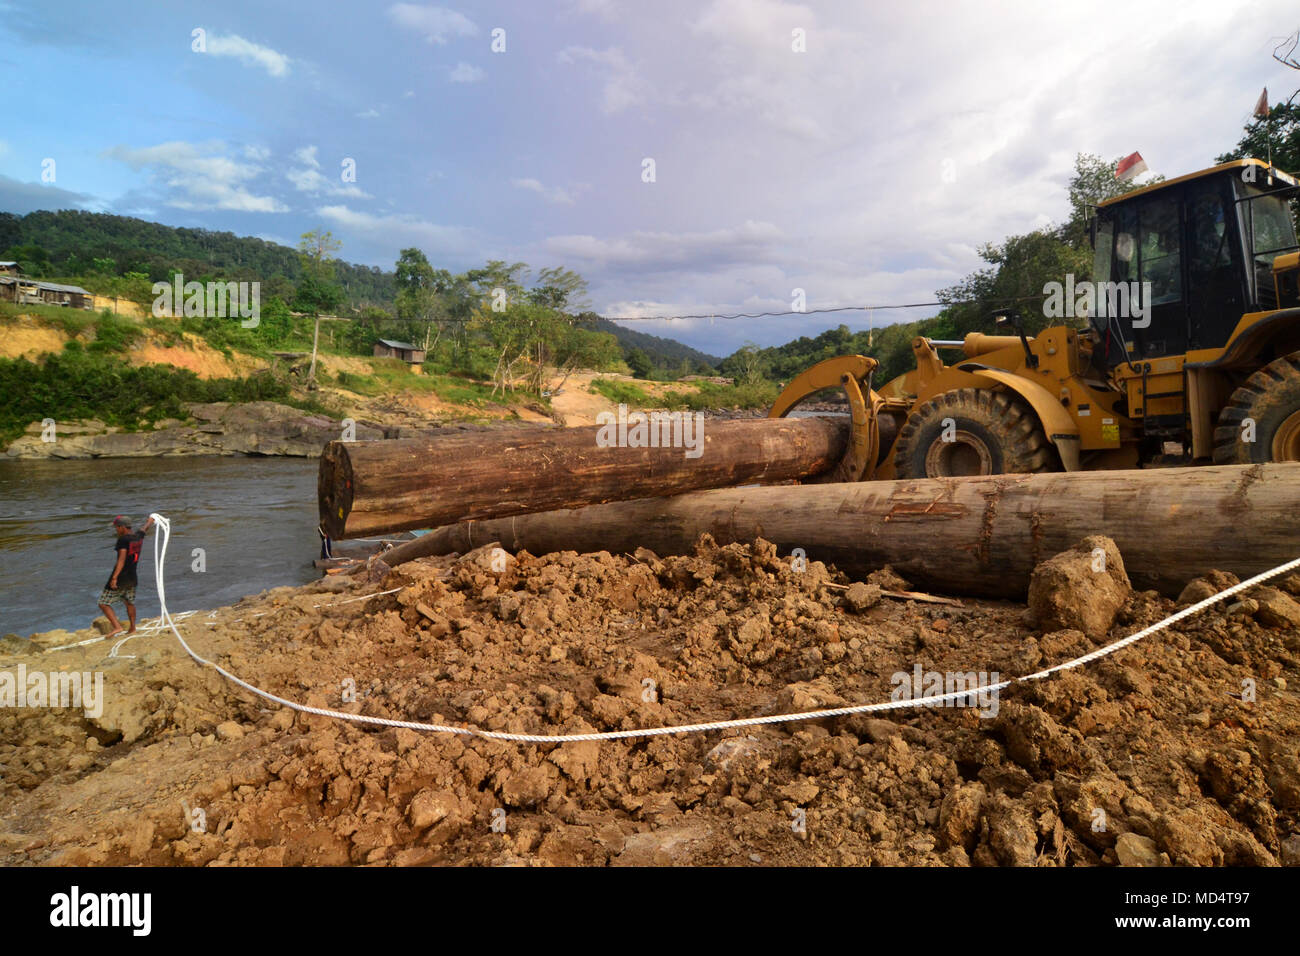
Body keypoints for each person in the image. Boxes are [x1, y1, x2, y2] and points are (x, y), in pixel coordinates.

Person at [97, 515, 155, 636]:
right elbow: (144, 529)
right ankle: (132, 628)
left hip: (121, 577)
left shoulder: (123, 540)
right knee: (129, 602)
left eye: (117, 527)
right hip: (132, 577)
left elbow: (121, 560)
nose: (116, 530)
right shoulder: (137, 537)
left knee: (103, 603)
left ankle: (117, 627)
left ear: (123, 527)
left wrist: (114, 578)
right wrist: (150, 521)